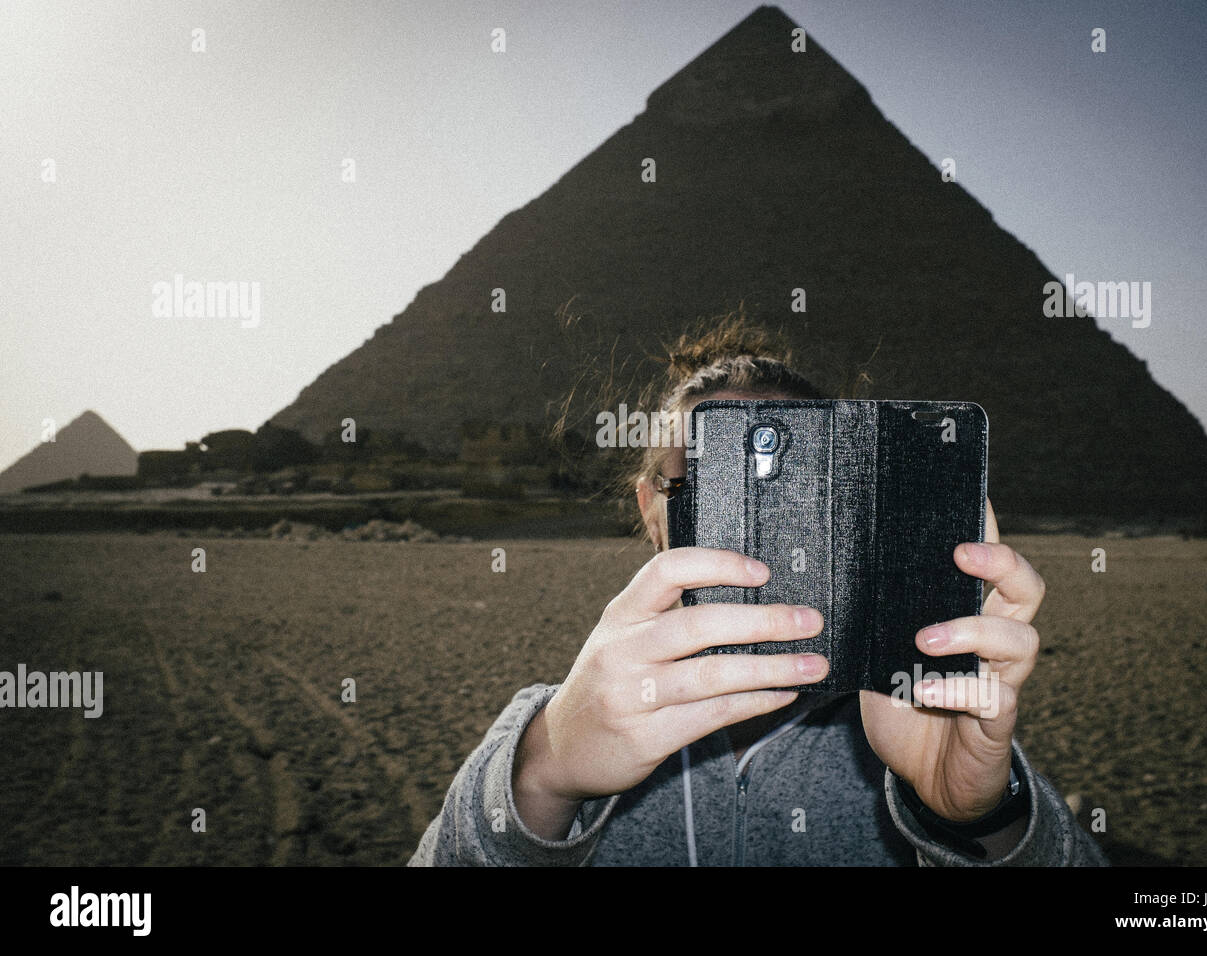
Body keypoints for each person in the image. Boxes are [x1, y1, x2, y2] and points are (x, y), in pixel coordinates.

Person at [409, 314, 1107, 866]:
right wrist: (541, 774)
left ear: (840, 503)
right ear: (649, 508)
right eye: (701, 484)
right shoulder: (547, 724)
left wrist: (975, 819)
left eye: (783, 486)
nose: (744, 521)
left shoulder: (917, 716)